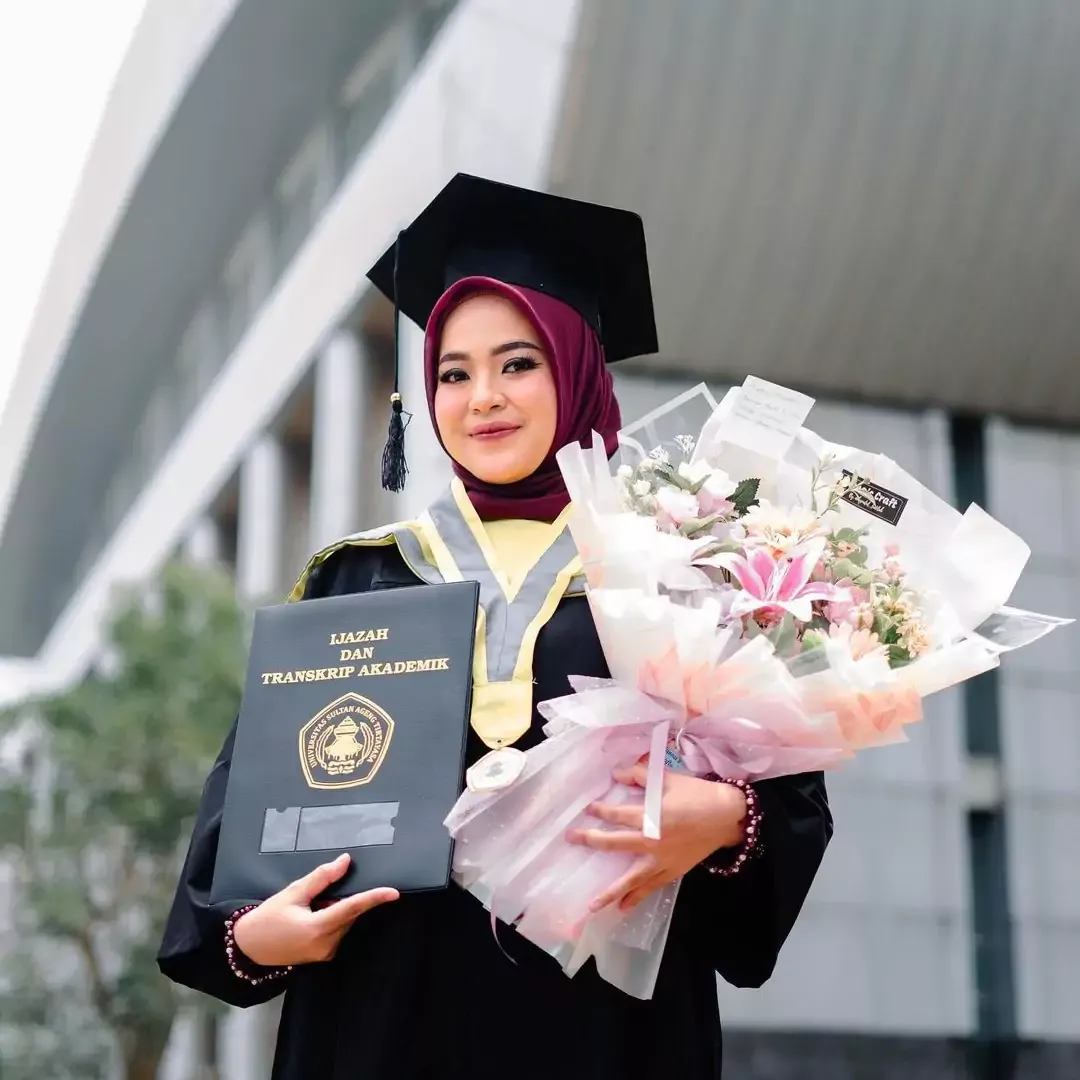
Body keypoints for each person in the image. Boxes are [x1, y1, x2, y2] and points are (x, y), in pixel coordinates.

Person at [158, 174, 833, 1080]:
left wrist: (724, 821)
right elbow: (237, 844)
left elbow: (786, 822)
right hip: (378, 1031)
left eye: (518, 363)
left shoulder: (680, 568)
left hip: (610, 1039)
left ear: (578, 367)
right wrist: (255, 935)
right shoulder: (360, 577)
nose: (482, 398)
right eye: (452, 372)